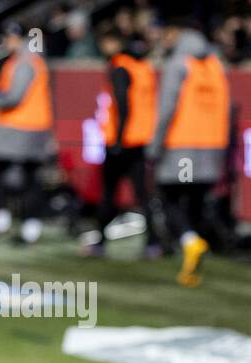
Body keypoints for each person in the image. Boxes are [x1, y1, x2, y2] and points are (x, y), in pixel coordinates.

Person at [148, 20, 231, 287]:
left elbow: (167, 109)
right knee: (195, 203)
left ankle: (190, 242)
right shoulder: (217, 65)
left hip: (181, 146)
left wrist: (154, 145)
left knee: (169, 199)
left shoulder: (178, 64)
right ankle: (191, 266)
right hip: (211, 147)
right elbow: (226, 109)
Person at [86, 27, 159, 257]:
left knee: (109, 194)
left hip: (122, 141)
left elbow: (122, 105)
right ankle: (154, 243)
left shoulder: (120, 66)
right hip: (139, 139)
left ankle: (99, 242)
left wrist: (117, 139)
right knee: (142, 193)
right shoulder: (142, 66)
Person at [0, 21, 54, 244]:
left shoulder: (25, 62)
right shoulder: (25, 61)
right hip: (28, 126)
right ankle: (22, 225)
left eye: (10, 37)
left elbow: (15, 96)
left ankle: (14, 223)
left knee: (19, 178)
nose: (6, 41)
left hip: (22, 127)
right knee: (25, 178)